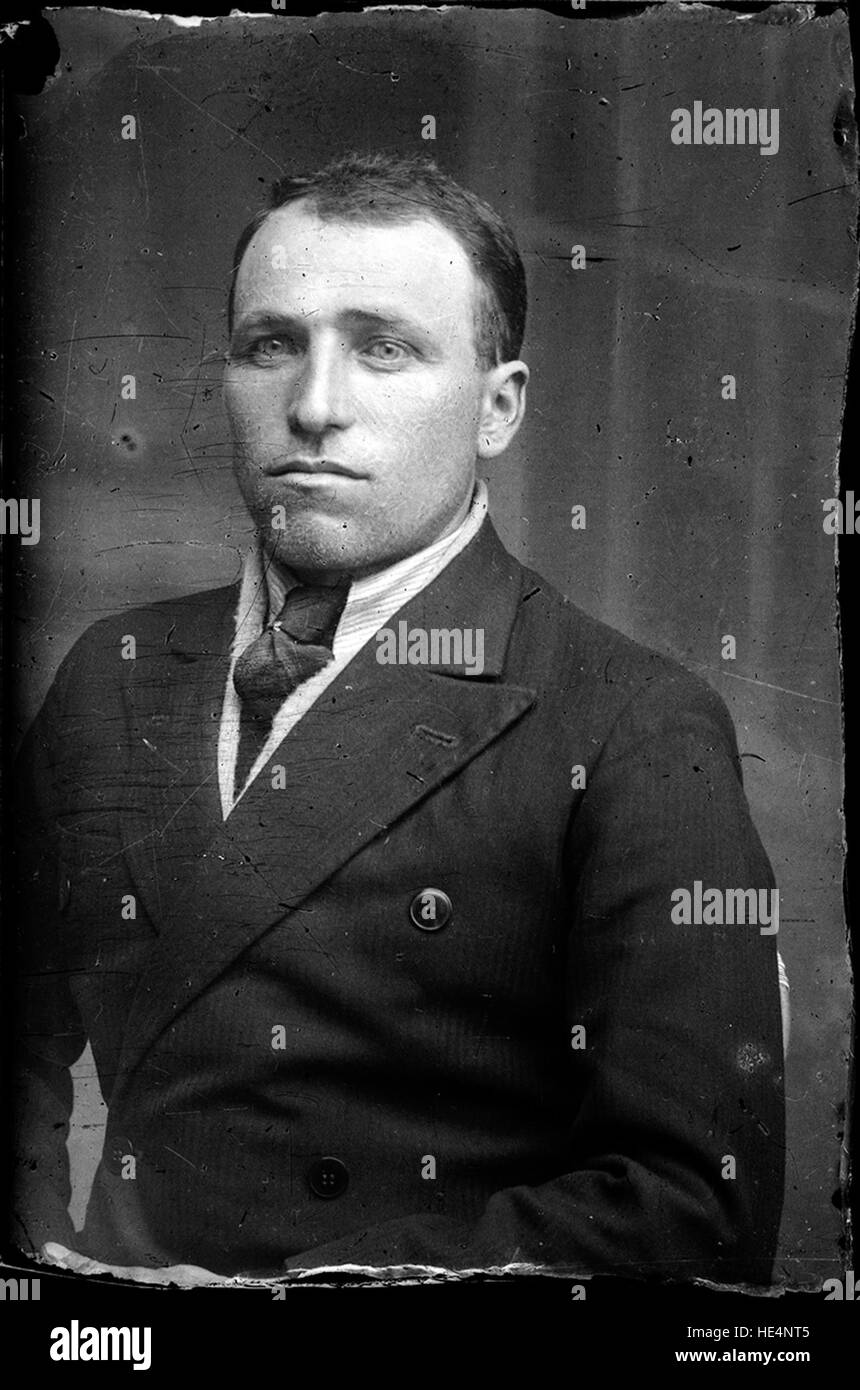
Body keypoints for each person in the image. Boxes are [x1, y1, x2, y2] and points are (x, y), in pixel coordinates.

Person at [11, 152, 785, 1284]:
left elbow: (689, 1209)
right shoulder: (115, 673)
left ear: (497, 408)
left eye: (384, 348)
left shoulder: (631, 728)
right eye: (271, 343)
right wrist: (42, 1263)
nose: (315, 405)